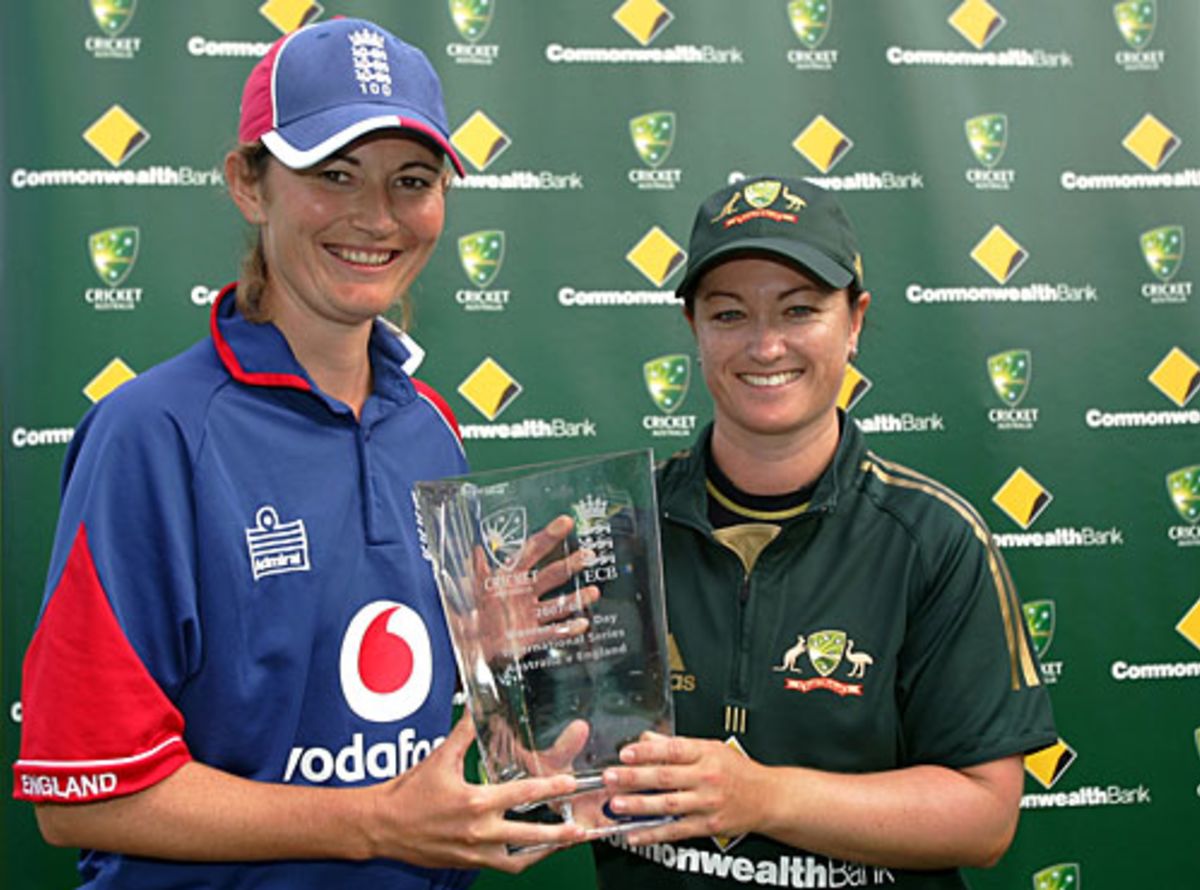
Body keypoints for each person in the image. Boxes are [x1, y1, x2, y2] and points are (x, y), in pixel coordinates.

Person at [12, 17, 587, 889]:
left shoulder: (429, 424)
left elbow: (345, 683)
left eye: (412, 180)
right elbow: (84, 796)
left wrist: (473, 653)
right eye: (334, 174)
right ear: (250, 184)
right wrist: (375, 824)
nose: (377, 216)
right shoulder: (152, 433)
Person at [592, 175, 1057, 889]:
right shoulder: (621, 536)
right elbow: (550, 781)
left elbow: (985, 818)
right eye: (728, 314)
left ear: (856, 321)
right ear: (694, 328)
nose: (766, 345)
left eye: (800, 309)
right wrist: (509, 689)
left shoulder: (933, 540)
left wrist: (761, 796)